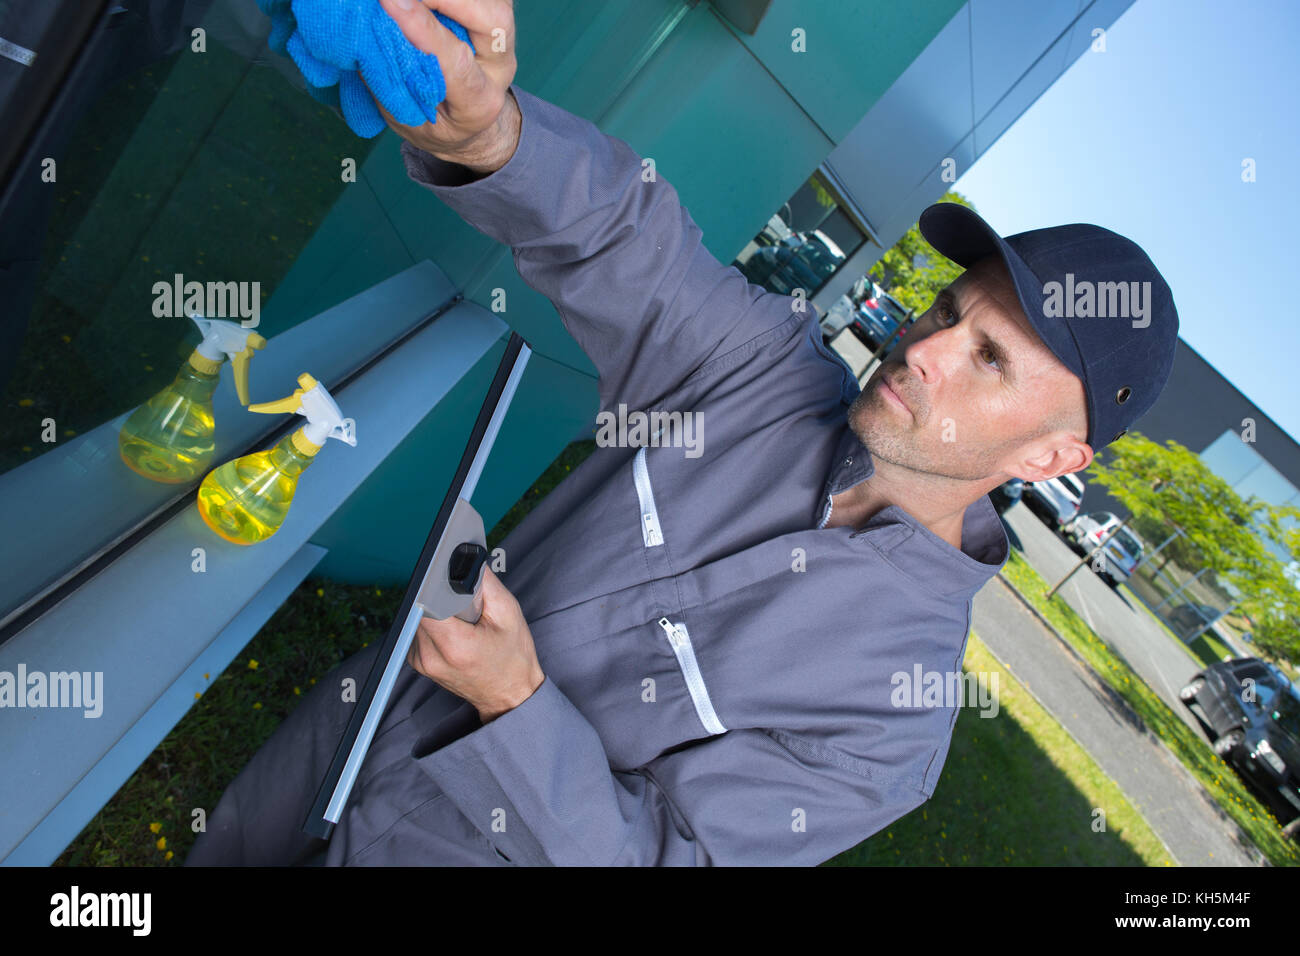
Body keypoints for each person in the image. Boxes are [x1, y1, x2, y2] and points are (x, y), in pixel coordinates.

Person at [187, 0, 1178, 866]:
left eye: (991, 359)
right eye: (944, 311)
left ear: (1054, 458)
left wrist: (517, 701)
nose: (922, 348)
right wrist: (492, 131)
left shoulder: (892, 720)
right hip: (349, 736)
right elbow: (620, 231)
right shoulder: (763, 372)